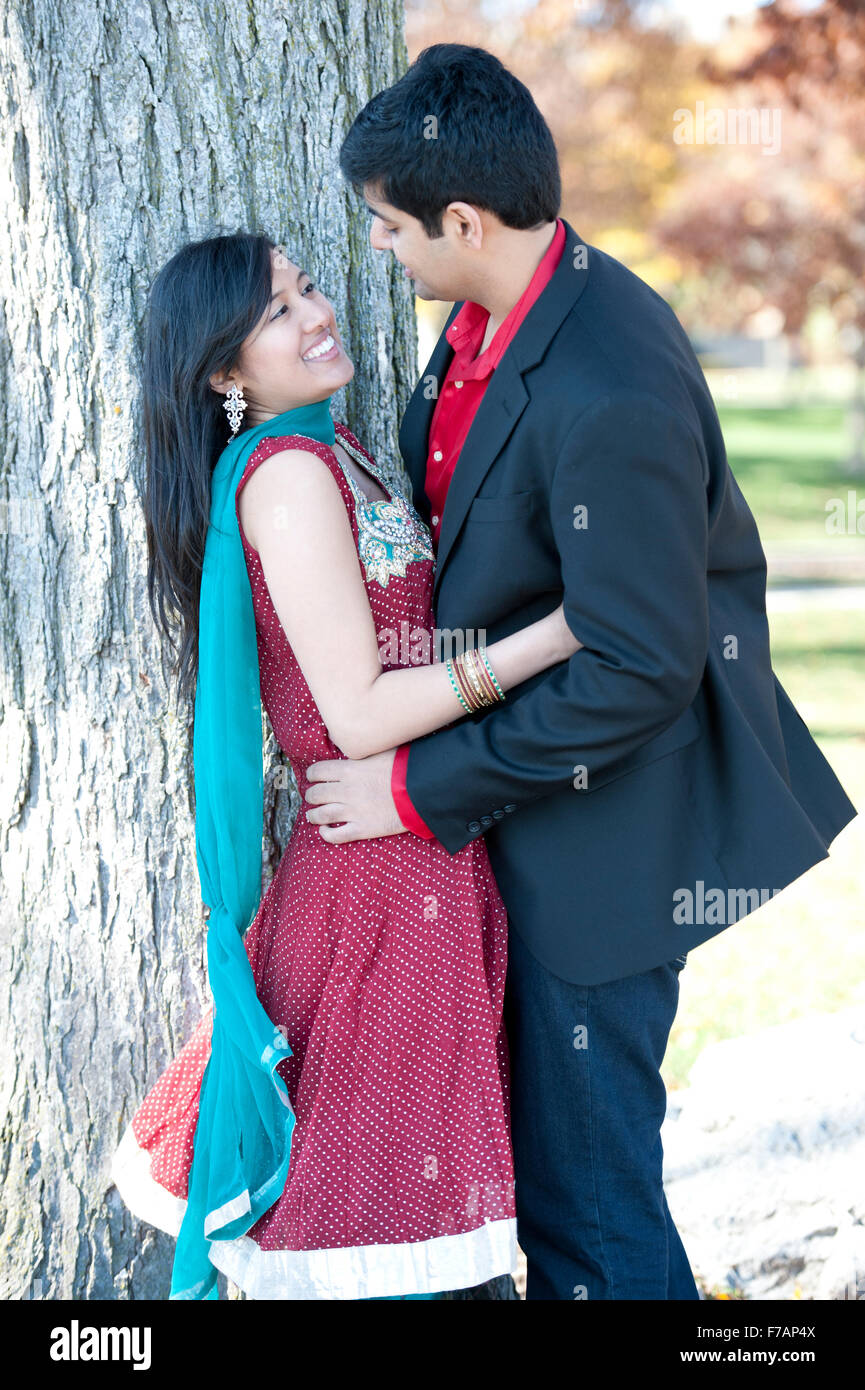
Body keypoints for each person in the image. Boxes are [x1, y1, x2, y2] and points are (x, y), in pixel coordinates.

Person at [297, 43, 859, 1300]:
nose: (379, 251)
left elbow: (637, 666)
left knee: (590, 1218)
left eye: (389, 229)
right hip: (532, 824)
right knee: (544, 1199)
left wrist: (416, 785)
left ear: (462, 218)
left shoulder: (608, 383)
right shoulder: (498, 311)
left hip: (608, 849)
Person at [109, 229, 581, 1300]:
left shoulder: (348, 453)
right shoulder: (286, 477)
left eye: (308, 287)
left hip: (420, 858)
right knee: (377, 1233)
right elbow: (360, 713)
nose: (317, 313)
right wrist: (553, 640)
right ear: (225, 374)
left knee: (424, 1225)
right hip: (372, 892)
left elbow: (405, 655)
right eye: (276, 312)